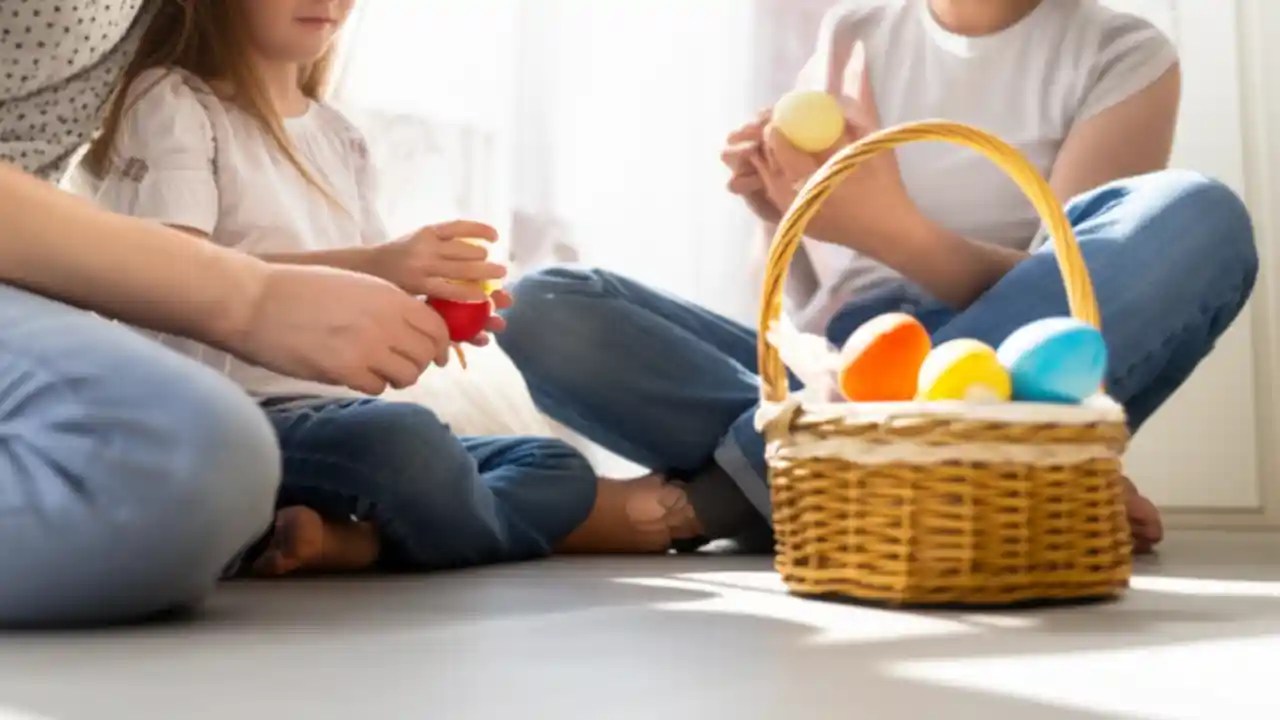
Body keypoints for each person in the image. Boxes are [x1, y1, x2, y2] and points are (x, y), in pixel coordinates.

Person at [498, 0, 1259, 555]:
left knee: (1196, 215)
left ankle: (730, 495)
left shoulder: (1122, 52)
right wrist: (782, 215)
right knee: (542, 306)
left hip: (1000, 376)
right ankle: (982, 486)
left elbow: (1072, 298)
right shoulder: (854, 31)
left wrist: (894, 232)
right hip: (842, 368)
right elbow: (803, 306)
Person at [84, 0, 687, 576]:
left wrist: (433, 309)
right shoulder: (172, 101)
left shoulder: (339, 136)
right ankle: (500, 528)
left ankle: (362, 544)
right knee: (403, 442)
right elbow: (172, 269)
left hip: (332, 417)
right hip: (231, 416)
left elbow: (366, 289)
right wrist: (381, 263)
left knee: (555, 464)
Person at [0, 0, 463, 626]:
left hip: (26, 281)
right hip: (249, 399)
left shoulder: (338, 136)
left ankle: (445, 518)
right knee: (208, 456)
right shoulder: (174, 103)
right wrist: (249, 298)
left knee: (218, 460)